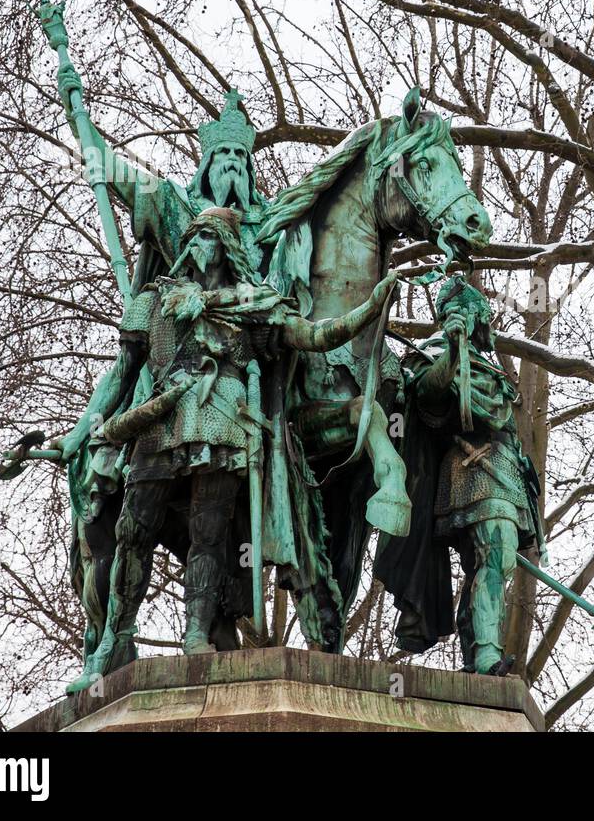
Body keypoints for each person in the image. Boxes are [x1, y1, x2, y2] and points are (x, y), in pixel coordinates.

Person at [66, 207, 396, 693]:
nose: (199, 249)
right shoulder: (154, 300)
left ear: (224, 247)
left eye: (208, 240)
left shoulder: (255, 303)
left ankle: (197, 634)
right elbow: (123, 371)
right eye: (193, 240)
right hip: (160, 420)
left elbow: (315, 336)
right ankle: (115, 636)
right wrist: (82, 433)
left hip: (223, 425)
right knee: (133, 528)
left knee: (210, 537)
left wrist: (369, 309)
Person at [376, 276, 544, 675]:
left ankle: (478, 659)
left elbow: (512, 435)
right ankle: (486, 653)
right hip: (470, 470)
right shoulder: (435, 352)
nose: (486, 324)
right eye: (480, 315)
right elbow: (429, 397)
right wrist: (452, 352)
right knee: (495, 554)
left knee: (492, 564)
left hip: (505, 475)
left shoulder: (488, 364)